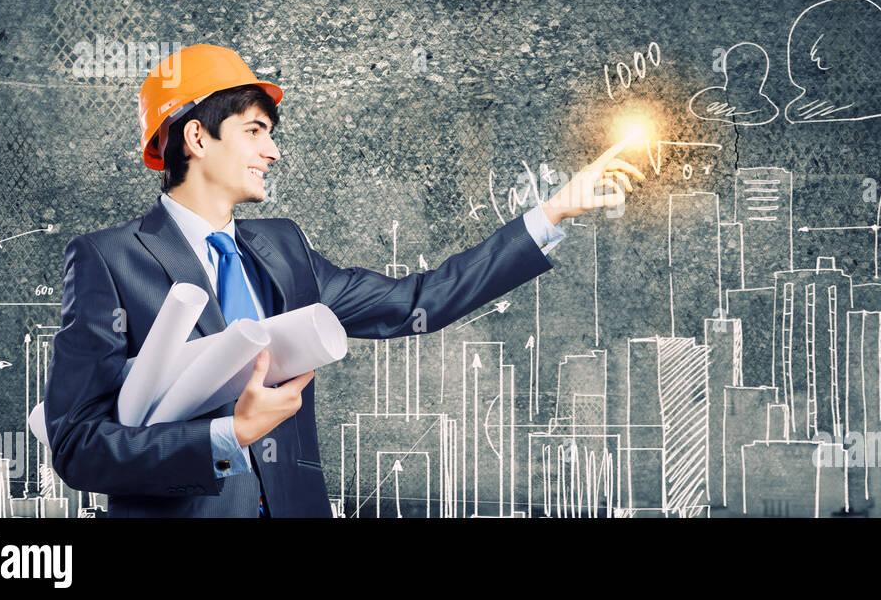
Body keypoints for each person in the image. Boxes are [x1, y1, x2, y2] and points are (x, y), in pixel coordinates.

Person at [43, 44, 645, 517]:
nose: (272, 151)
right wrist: (230, 433)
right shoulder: (109, 261)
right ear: (198, 137)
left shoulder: (282, 250)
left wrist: (554, 212)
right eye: (255, 131)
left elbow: (419, 301)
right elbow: (76, 446)